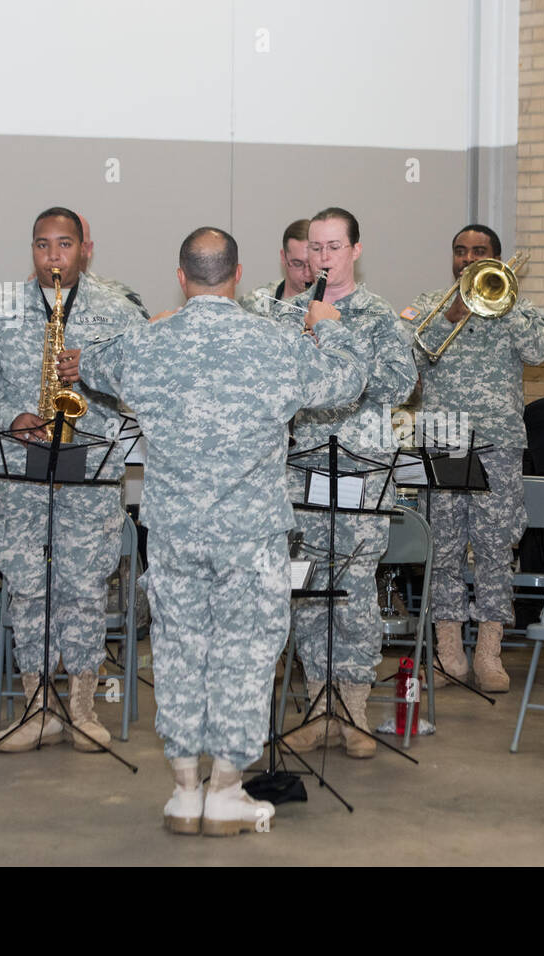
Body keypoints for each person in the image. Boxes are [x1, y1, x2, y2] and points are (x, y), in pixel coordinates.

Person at [70, 226, 365, 834]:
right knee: (246, 656)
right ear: (237, 276)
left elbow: (86, 363)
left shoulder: (144, 343)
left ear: (181, 277)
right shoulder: (275, 343)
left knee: (178, 653)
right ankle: (227, 789)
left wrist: (149, 327)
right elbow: (349, 380)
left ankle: (183, 791)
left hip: (174, 533)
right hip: (250, 536)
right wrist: (326, 320)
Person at [0, 206, 143, 752]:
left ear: (86, 247)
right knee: (29, 590)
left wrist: (96, 370)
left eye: (64, 245)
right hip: (21, 471)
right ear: (32, 249)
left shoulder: (120, 311)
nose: (53, 256)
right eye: (42, 245)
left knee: (85, 589)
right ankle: (37, 707)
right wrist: (12, 416)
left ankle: (82, 709)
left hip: (90, 467)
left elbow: (146, 378)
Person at [277, 207, 418, 758]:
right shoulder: (289, 312)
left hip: (361, 469)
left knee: (356, 588)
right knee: (310, 588)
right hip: (303, 469)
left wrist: (336, 342)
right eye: (315, 248)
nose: (323, 258)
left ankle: (354, 710)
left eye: (334, 247)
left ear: (355, 251)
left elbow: (400, 384)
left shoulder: (379, 315)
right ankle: (318, 707)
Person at [405, 224, 544, 691]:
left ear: (495, 258)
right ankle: (450, 654)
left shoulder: (516, 305)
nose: (467, 259)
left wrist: (504, 307)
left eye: (478, 252)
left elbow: (542, 350)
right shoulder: (431, 303)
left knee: (495, 549)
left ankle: (489, 653)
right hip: (442, 440)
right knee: (444, 548)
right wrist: (450, 314)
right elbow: (408, 358)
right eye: (460, 251)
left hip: (498, 443)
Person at [238, 219, 314, 316]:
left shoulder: (333, 305)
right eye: (297, 264)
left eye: (312, 264)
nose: (307, 273)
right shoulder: (254, 303)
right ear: (283, 257)